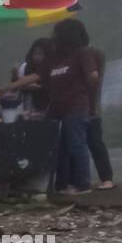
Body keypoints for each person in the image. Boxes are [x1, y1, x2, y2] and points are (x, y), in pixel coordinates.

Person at [46, 18, 100, 194]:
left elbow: (93, 75)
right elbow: (40, 75)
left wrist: (87, 87)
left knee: (76, 144)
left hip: (76, 106)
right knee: (60, 147)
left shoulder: (83, 53)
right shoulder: (57, 58)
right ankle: (62, 184)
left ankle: (82, 184)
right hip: (57, 108)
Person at [77, 24, 114, 188]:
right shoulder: (88, 53)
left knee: (93, 142)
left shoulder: (89, 53)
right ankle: (106, 178)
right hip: (87, 107)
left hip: (88, 107)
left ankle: (106, 178)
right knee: (93, 142)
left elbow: (93, 78)